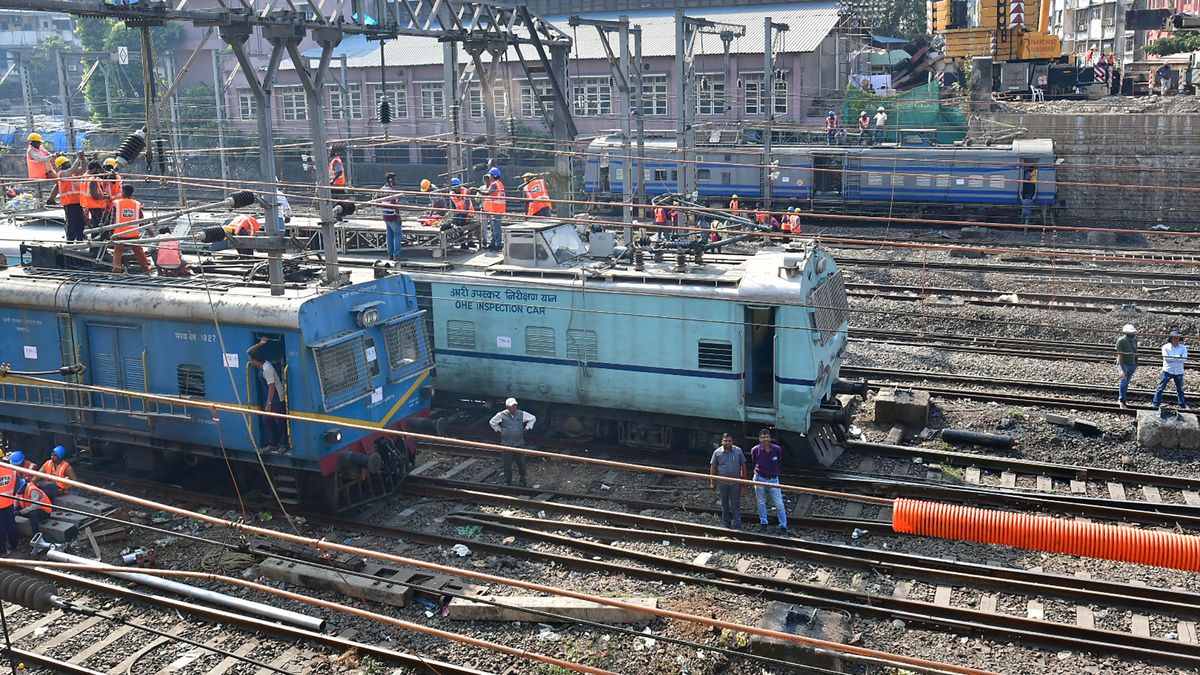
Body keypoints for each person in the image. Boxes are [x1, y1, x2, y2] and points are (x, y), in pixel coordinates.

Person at [247, 338, 288, 453]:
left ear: (256, 360)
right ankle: (272, 444)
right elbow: (248, 351)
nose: (250, 362)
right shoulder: (263, 366)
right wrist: (259, 344)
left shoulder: (267, 369)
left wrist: (269, 403)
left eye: (251, 360)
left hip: (276, 398)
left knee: (279, 421)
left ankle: (283, 444)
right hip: (269, 398)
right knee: (268, 421)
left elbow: (271, 386)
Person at [489, 397, 535, 486]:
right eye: (511, 406)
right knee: (507, 464)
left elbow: (532, 418)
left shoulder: (521, 414)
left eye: (515, 406)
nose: (513, 408)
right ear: (507, 407)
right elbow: (492, 422)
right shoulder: (501, 414)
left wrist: (527, 427)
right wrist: (499, 430)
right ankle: (508, 481)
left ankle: (523, 480)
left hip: (519, 443)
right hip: (506, 444)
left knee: (521, 463)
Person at [751, 429, 788, 535]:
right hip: (759, 478)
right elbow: (755, 462)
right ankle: (764, 523)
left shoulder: (777, 450)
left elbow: (779, 462)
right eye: (763, 437)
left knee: (779, 504)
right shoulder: (755, 450)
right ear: (759, 439)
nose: (765, 439)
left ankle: (783, 526)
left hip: (773, 479)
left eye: (767, 437)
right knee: (761, 502)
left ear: (770, 438)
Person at [110, 184, 152, 274]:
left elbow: (112, 220)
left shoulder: (117, 203)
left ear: (123, 192)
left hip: (119, 233)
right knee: (138, 251)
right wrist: (148, 229)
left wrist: (110, 232)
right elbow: (142, 220)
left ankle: (116, 270)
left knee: (117, 252)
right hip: (133, 233)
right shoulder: (136, 204)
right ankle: (146, 269)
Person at [710, 433, 746, 529]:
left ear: (732, 441)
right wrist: (712, 482)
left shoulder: (738, 451)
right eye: (725, 441)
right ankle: (726, 522)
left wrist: (744, 480)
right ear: (721, 441)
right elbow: (713, 467)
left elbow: (743, 465)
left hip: (735, 482)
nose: (727, 443)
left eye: (729, 441)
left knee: (736, 504)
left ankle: (737, 523)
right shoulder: (717, 452)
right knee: (724, 503)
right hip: (722, 482)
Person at [56, 152, 88, 242]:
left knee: (80, 222)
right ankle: (70, 240)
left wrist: (83, 159)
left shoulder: (73, 174)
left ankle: (79, 239)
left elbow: (83, 169)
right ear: (62, 165)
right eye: (66, 163)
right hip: (69, 203)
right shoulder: (62, 174)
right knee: (72, 223)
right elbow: (72, 170)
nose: (69, 163)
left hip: (78, 202)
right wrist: (78, 158)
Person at [1153, 330, 1188, 410]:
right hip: (1168, 370)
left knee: (1180, 389)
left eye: (1177, 337)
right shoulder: (1165, 347)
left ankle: (1182, 406)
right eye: (1174, 337)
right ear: (1171, 338)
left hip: (1178, 371)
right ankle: (1155, 404)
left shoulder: (1183, 348)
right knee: (1160, 388)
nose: (1176, 339)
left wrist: (1173, 357)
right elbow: (1167, 359)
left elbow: (1184, 359)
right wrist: (1178, 356)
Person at [80, 161, 112, 234]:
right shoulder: (92, 179)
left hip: (89, 205)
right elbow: (95, 195)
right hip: (96, 206)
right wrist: (106, 197)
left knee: (95, 225)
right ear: (95, 169)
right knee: (102, 226)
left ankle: (94, 238)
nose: (100, 173)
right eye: (99, 170)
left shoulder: (84, 176)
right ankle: (100, 239)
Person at [25, 132, 56, 202]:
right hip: (38, 173)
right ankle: (46, 201)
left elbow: (47, 153)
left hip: (47, 170)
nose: (40, 144)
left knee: (60, 182)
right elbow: (40, 159)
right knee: (59, 183)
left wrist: (54, 155)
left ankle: (50, 199)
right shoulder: (31, 151)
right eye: (38, 142)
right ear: (33, 142)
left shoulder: (40, 148)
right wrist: (51, 156)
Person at [480, 168, 506, 250]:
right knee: (494, 228)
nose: (489, 177)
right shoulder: (499, 183)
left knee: (496, 228)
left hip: (496, 209)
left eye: (490, 175)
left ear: (493, 176)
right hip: (496, 209)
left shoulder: (494, 184)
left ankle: (498, 245)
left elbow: (487, 193)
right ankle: (493, 243)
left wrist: (477, 190)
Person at [380, 173, 403, 260]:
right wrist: (399, 216)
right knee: (398, 234)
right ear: (390, 180)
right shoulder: (391, 191)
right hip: (392, 215)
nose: (396, 181)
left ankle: (390, 254)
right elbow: (395, 205)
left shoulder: (382, 189)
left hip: (386, 215)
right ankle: (396, 255)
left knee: (389, 235)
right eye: (394, 179)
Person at [1116, 324, 1138, 409]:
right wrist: (1123, 368)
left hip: (1132, 364)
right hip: (1124, 364)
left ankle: (1123, 398)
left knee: (1126, 382)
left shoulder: (1134, 339)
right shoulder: (1121, 341)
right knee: (1124, 381)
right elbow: (1120, 356)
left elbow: (1136, 351)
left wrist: (1136, 363)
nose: (1133, 334)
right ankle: (1121, 400)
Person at [0, 461, 16, 557]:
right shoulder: (10, 469)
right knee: (11, 525)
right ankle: (15, 545)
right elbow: (16, 485)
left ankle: (2, 550)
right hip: (9, 502)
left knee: (1, 528)